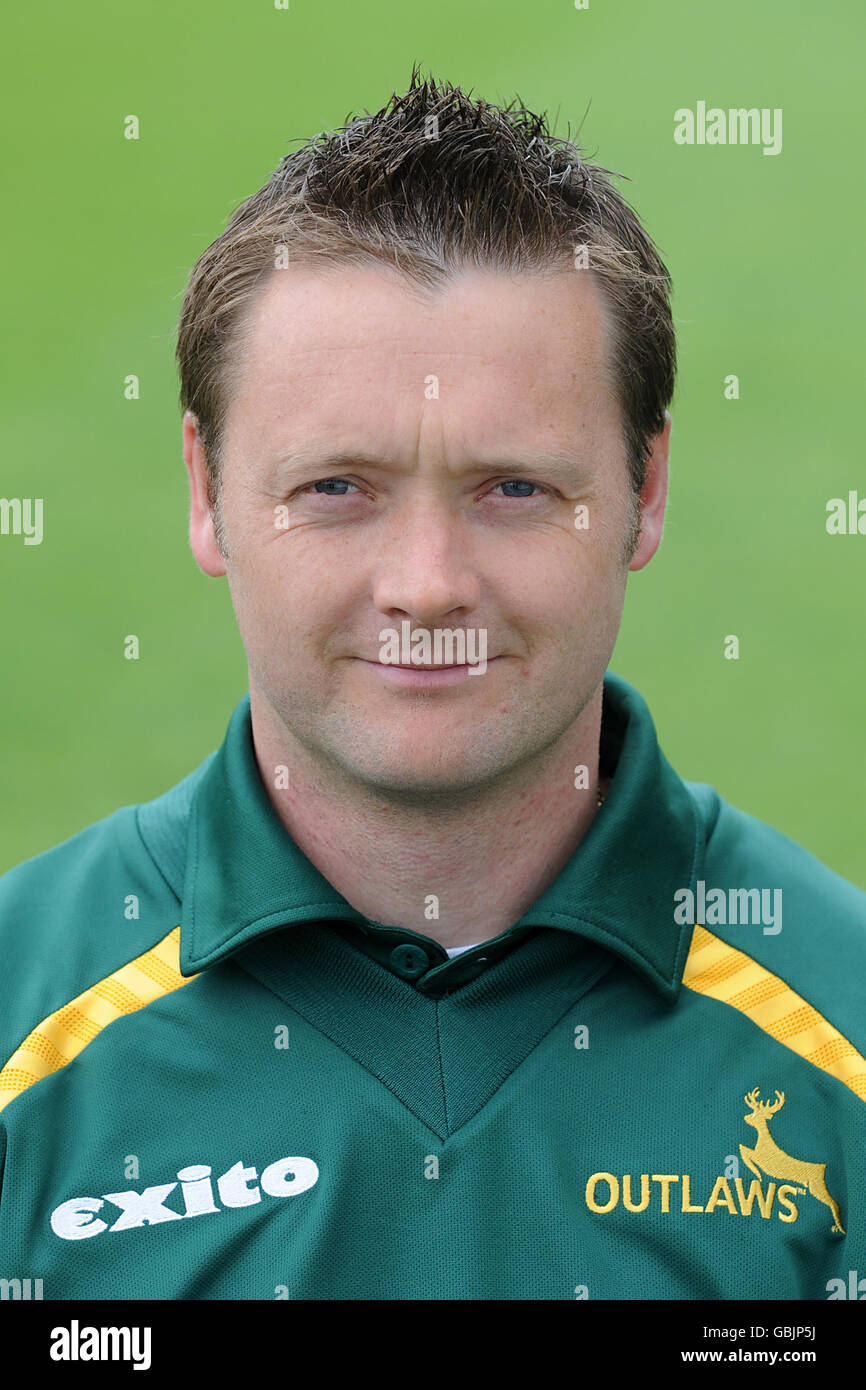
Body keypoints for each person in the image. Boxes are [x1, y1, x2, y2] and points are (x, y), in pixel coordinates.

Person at [1, 68, 863, 1302]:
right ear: (205, 494)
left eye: (511, 487)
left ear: (644, 488)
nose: (425, 584)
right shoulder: (21, 1032)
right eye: (335, 488)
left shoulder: (843, 1026)